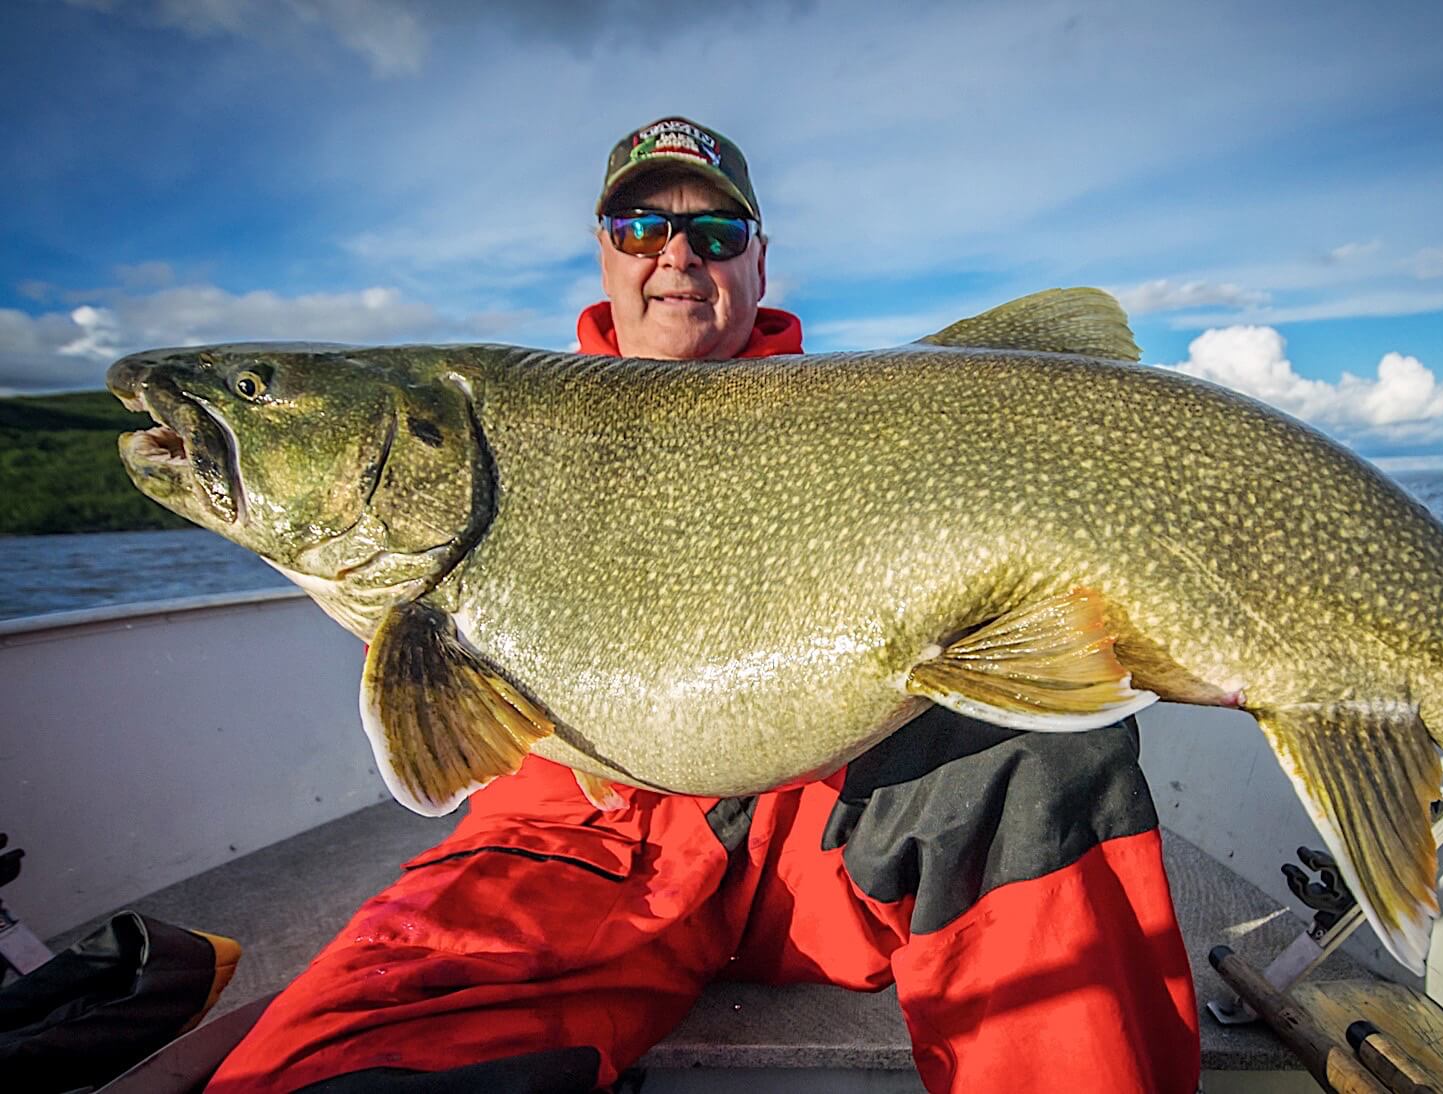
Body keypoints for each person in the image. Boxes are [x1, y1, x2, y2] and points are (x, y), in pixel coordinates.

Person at [208, 116, 1201, 1094]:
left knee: (1044, 756)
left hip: (820, 841)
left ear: (759, 265)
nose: (678, 254)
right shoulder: (496, 419)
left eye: (715, 233)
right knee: (335, 1052)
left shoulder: (873, 416)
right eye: (643, 228)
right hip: (575, 851)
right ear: (606, 257)